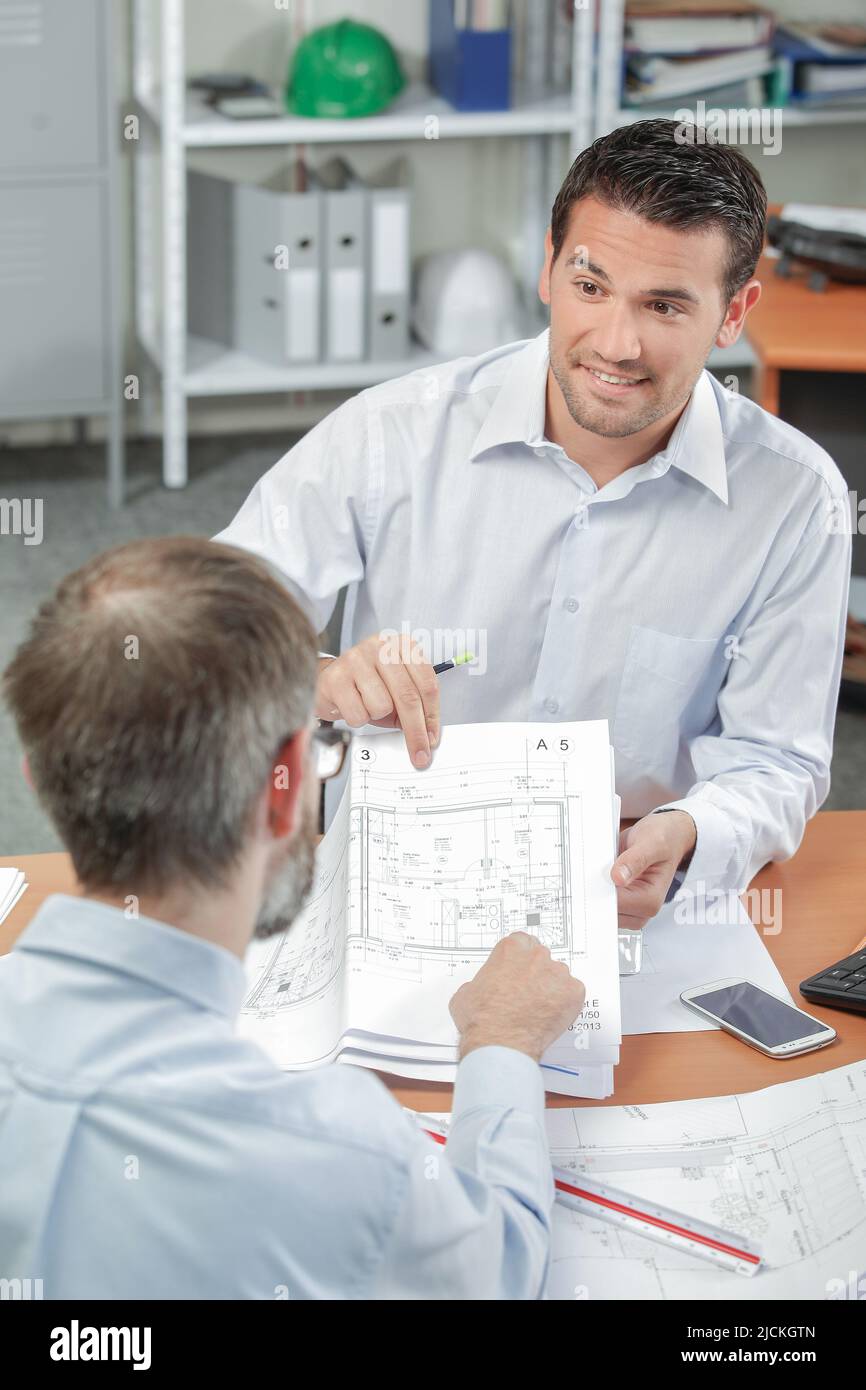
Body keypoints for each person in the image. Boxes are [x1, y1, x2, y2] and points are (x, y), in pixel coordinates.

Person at [215, 119, 851, 931]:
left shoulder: (796, 500)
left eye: (664, 305)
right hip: (393, 895)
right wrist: (315, 680)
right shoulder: (393, 434)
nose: (616, 345)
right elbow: (201, 637)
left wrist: (692, 833)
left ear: (734, 314)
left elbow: (779, 759)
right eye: (591, 286)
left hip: (627, 906)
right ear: (549, 269)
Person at [0, 537, 585, 1300]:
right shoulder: (336, 1150)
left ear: (38, 779)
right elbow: (499, 1270)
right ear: (283, 792)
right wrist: (501, 1045)